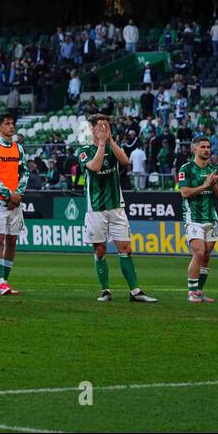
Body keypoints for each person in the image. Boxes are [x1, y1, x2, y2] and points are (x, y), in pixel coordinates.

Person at [77, 115, 157, 303]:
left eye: (107, 125)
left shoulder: (112, 147)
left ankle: (135, 292)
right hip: (95, 208)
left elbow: (125, 161)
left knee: (125, 248)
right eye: (101, 126)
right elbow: (95, 167)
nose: (105, 128)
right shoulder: (84, 151)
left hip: (116, 206)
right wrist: (102, 144)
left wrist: (110, 140)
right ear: (93, 130)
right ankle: (105, 290)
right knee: (100, 250)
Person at [0, 112, 27, 296]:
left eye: (12, 123)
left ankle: (5, 281)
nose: (11, 126)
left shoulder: (18, 148)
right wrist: (9, 195)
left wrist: (19, 194)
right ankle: (0, 282)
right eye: (7, 123)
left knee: (12, 240)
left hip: (15, 202)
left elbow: (25, 174)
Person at [178, 137, 218, 304]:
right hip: (193, 218)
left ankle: (199, 291)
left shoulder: (213, 170)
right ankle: (191, 293)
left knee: (206, 256)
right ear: (194, 149)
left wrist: (213, 184)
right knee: (198, 252)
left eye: (208, 147)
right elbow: (184, 192)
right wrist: (205, 185)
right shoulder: (187, 168)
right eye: (202, 147)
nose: (206, 149)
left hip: (211, 217)